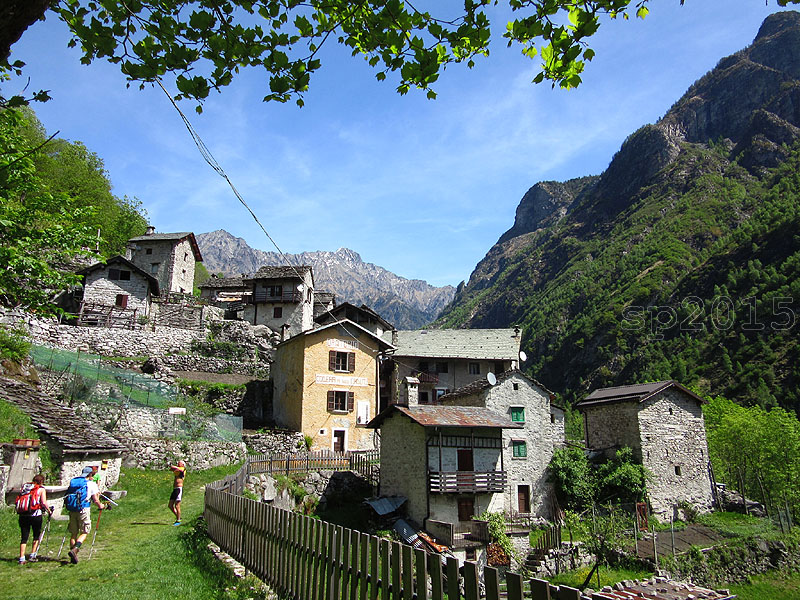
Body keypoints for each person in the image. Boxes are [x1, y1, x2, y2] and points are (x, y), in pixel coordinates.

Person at [67, 466, 105, 564]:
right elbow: (96, 499)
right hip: (83, 508)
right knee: (85, 531)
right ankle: (75, 549)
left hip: (72, 509)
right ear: (90, 474)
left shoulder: (74, 482)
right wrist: (100, 505)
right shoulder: (91, 484)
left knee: (73, 533)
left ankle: (73, 556)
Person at [18, 474, 52, 564]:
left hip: (23, 515)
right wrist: (49, 511)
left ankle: (22, 557)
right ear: (41, 481)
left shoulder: (25, 488)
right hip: (36, 515)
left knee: (24, 537)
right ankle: (33, 555)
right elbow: (43, 502)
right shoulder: (41, 489)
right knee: (36, 535)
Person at [168, 460, 186, 526]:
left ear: (183, 464)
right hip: (175, 488)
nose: (178, 463)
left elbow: (179, 470)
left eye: (180, 462)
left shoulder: (183, 469)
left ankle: (178, 520)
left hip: (179, 488)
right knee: (170, 505)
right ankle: (178, 516)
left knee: (177, 505)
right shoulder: (177, 469)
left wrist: (176, 468)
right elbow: (171, 468)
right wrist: (175, 468)